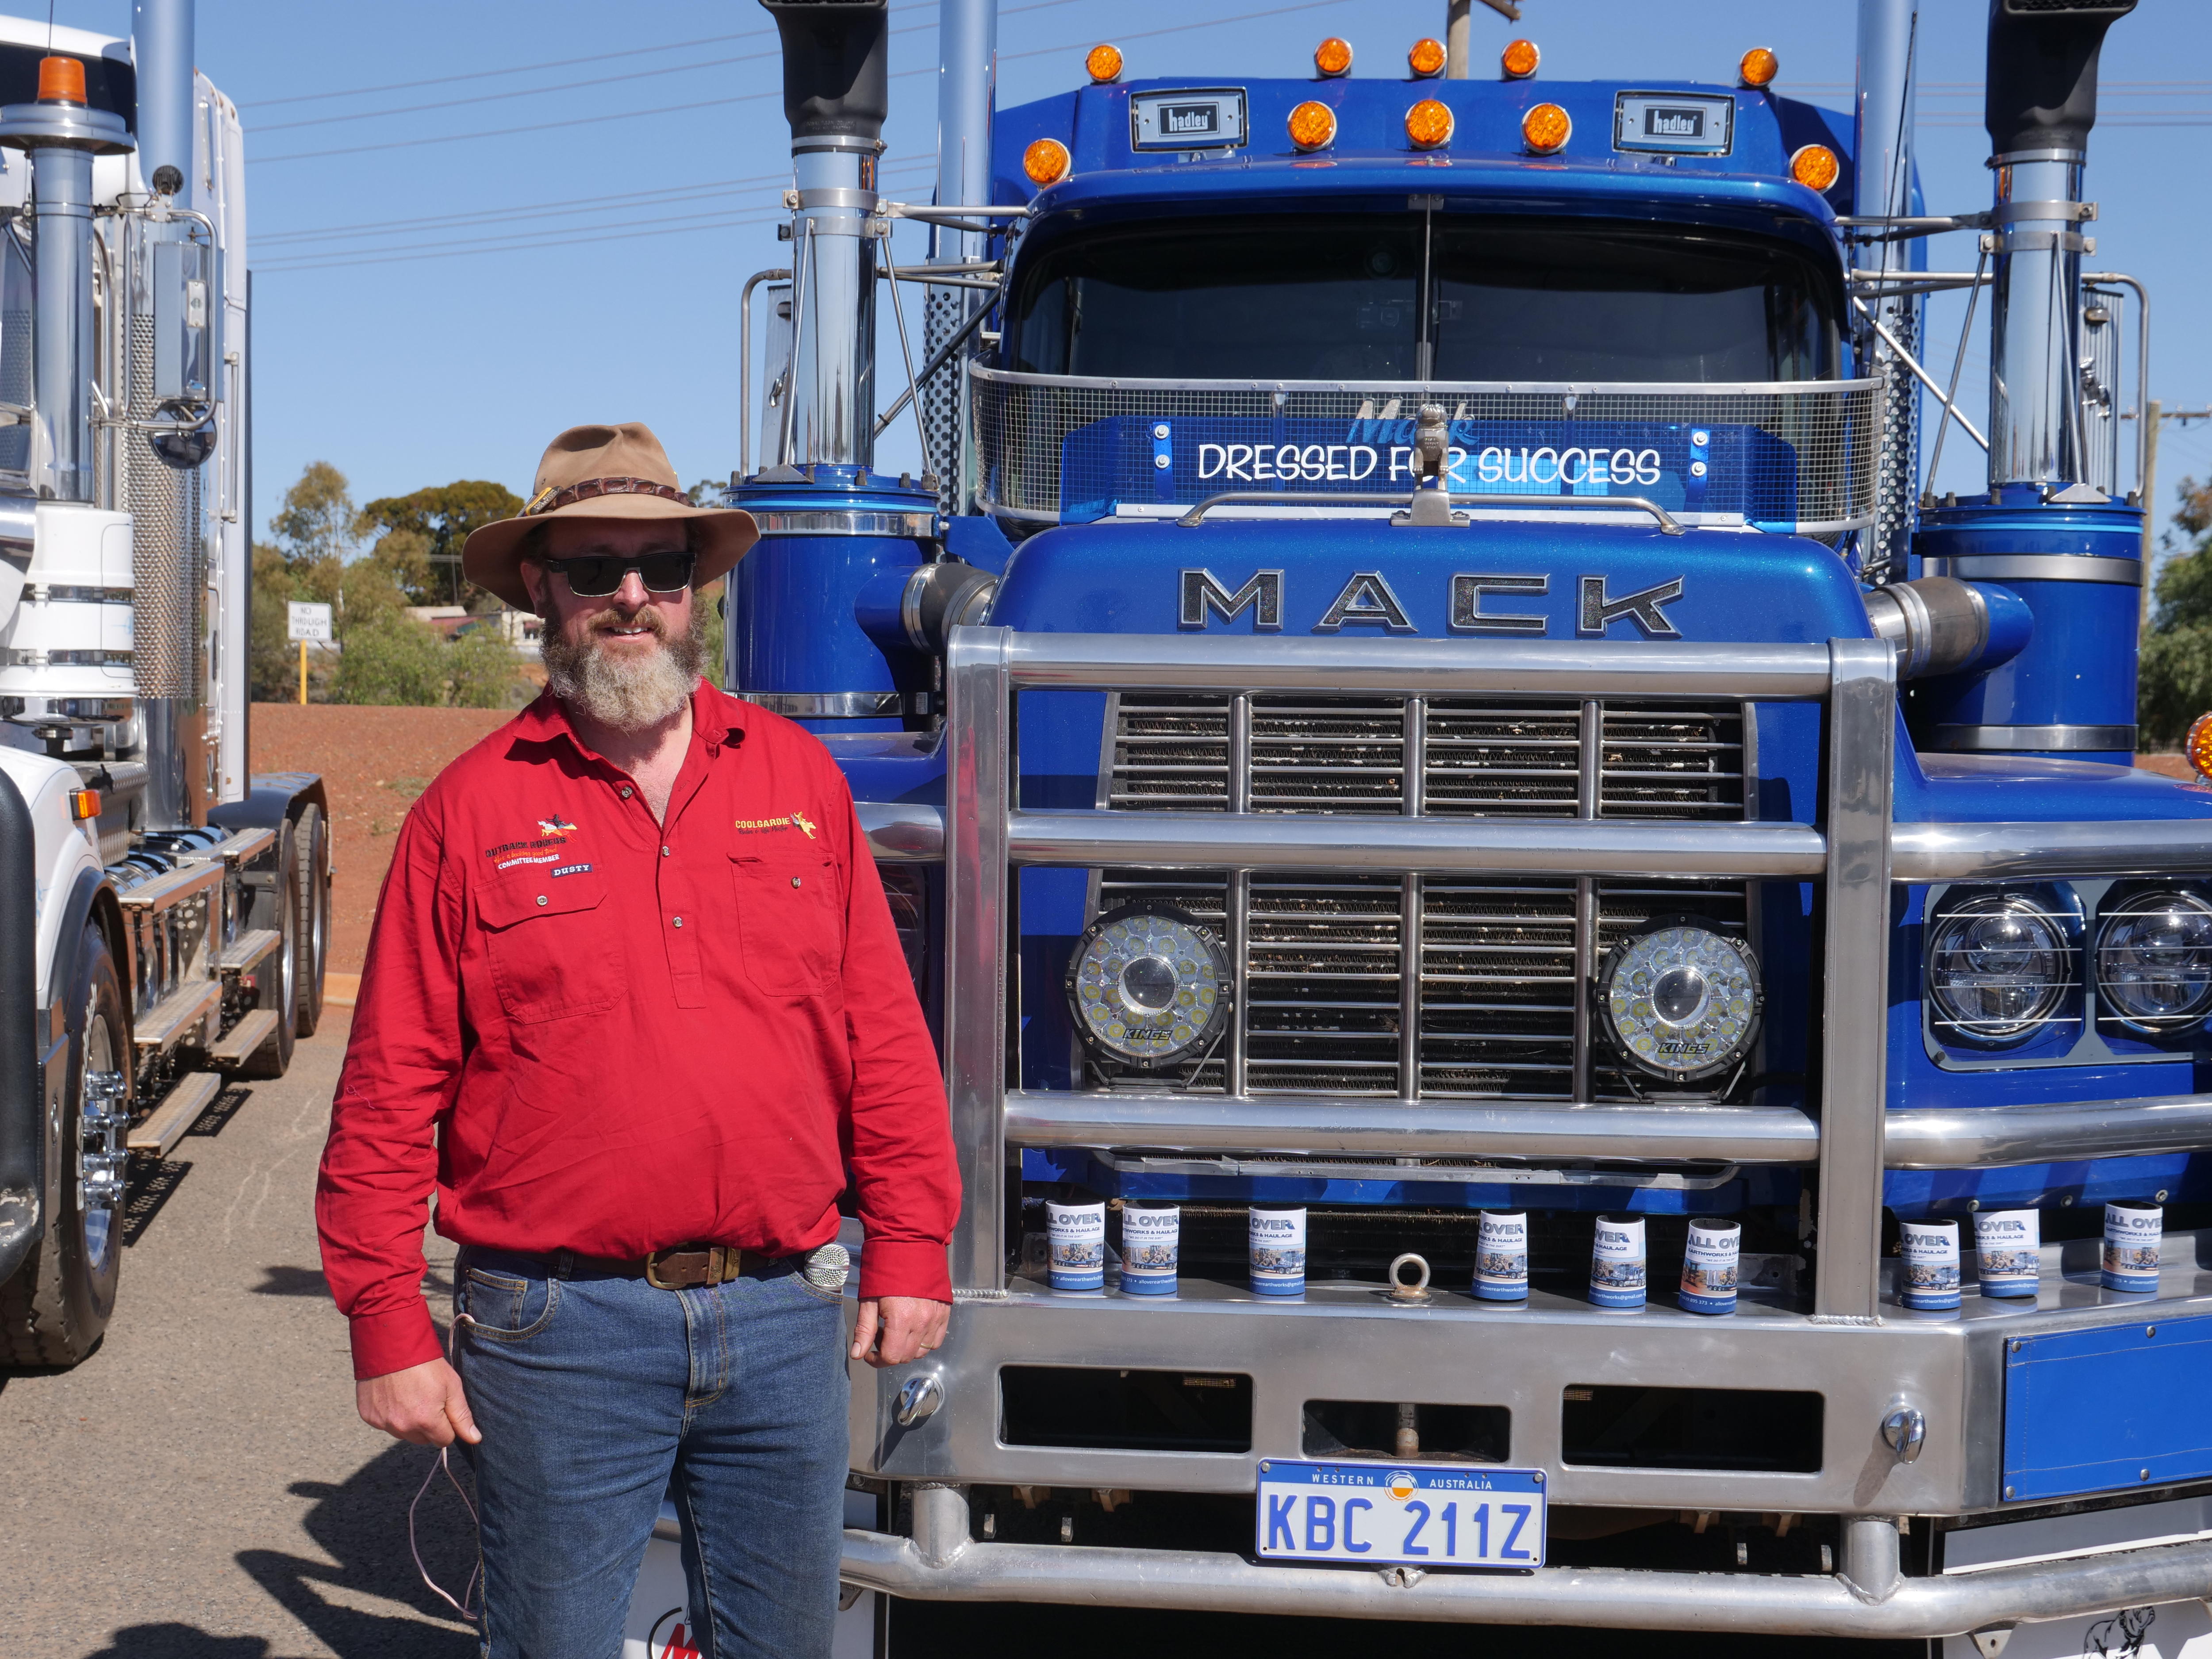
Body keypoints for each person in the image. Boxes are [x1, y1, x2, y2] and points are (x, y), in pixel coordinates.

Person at [315, 422, 960, 1659]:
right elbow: (392, 1085)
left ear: (692, 594)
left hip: (783, 1314)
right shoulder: (471, 808)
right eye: (596, 567)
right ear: (539, 592)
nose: (631, 597)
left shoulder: (798, 778)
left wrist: (914, 1242)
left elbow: (879, 1032)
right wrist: (385, 1321)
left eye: (660, 570)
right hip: (556, 1331)